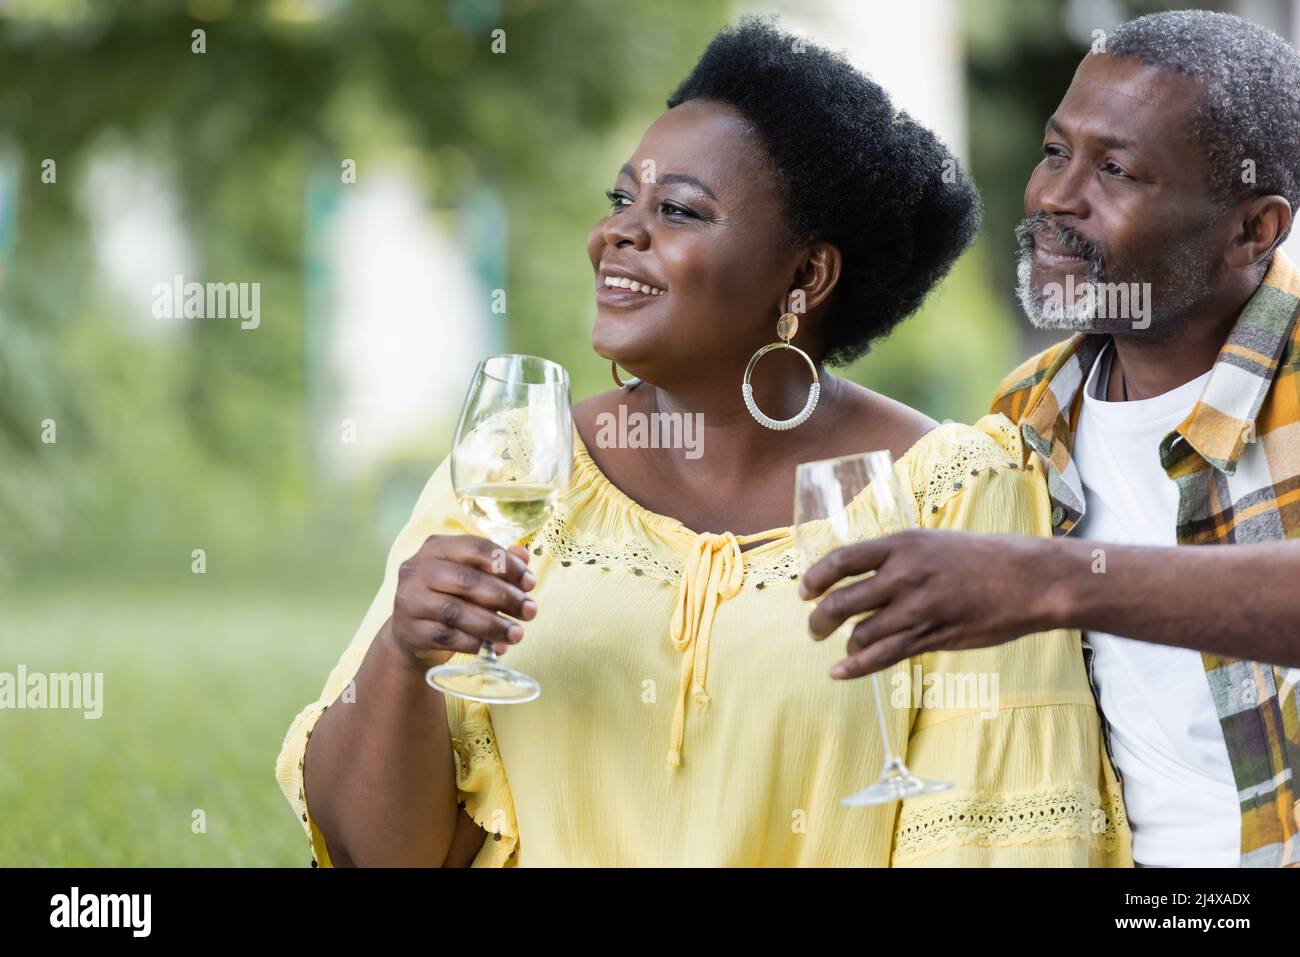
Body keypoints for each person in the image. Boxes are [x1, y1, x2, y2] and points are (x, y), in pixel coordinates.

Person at [275, 16, 1130, 867]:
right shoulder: (520, 465)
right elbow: (378, 858)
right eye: (621, 200)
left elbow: (999, 842)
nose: (616, 233)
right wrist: (405, 651)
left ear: (805, 276)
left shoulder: (952, 495)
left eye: (678, 209)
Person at [802, 10, 1300, 868]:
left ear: (1253, 230)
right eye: (1055, 150)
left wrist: (1056, 580)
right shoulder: (1028, 412)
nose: (1055, 198)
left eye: (1115, 168)